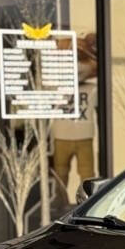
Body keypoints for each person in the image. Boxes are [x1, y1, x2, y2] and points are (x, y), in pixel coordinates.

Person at [50, 31, 98, 206]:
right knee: (60, 173)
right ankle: (59, 204)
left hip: (84, 135)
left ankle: (89, 204)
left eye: (80, 58)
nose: (74, 66)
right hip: (61, 135)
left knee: (87, 173)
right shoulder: (53, 87)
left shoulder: (93, 88)